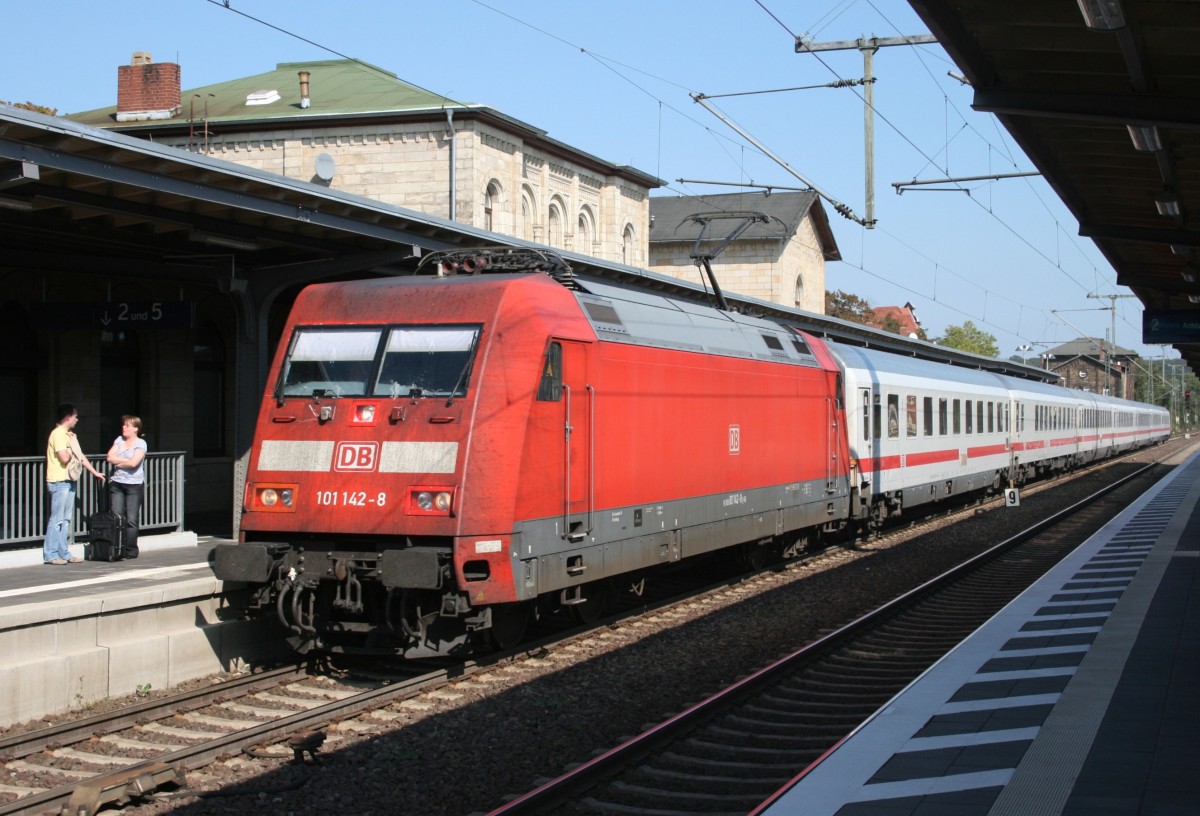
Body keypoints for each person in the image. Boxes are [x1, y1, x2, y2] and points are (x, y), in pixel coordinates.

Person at [44, 403, 105, 565]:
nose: (77, 419)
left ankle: (63, 552)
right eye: (75, 416)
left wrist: (94, 472)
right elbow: (64, 458)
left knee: (66, 519)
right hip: (59, 481)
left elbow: (81, 457)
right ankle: (51, 554)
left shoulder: (68, 435)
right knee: (56, 519)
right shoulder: (58, 434)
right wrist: (73, 448)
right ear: (68, 417)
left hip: (69, 480)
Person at [107, 415, 148, 559]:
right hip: (117, 483)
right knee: (117, 517)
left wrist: (119, 463)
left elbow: (134, 463)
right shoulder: (119, 440)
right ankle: (117, 548)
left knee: (131, 519)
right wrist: (126, 461)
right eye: (123, 425)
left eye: (127, 425)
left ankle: (130, 550)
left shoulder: (141, 443)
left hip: (134, 485)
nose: (124, 427)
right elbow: (109, 457)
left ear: (136, 428)